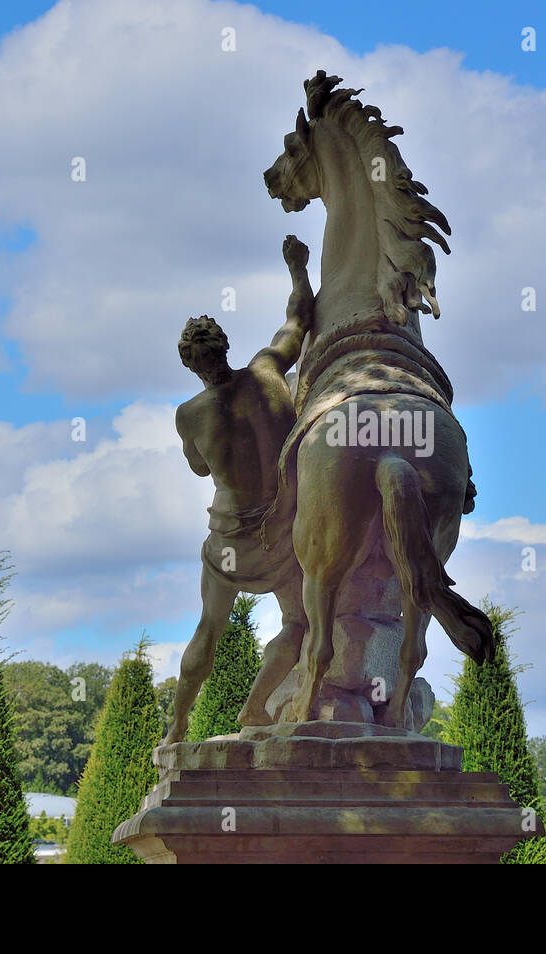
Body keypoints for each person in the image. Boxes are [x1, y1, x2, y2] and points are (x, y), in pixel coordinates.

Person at [165, 235, 314, 744]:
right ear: (225, 347)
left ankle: (178, 726)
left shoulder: (189, 415)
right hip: (284, 539)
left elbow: (199, 470)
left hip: (230, 547)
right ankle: (255, 705)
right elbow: (297, 321)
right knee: (298, 622)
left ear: (189, 363)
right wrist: (298, 268)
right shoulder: (268, 374)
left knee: (209, 628)